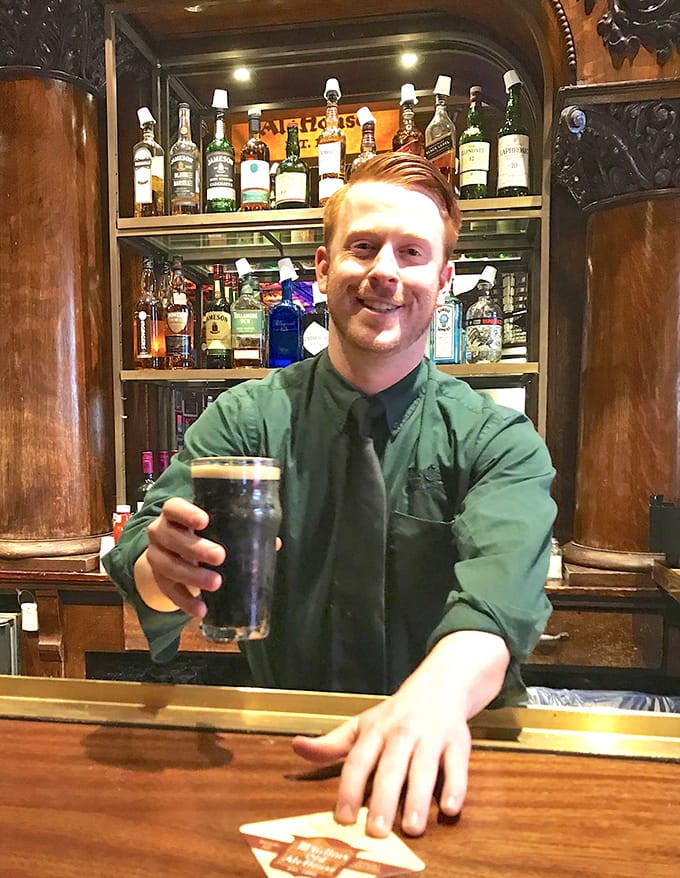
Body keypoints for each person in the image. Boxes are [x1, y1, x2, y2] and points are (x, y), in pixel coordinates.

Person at [104, 152, 556, 839]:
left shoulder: (498, 440)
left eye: (411, 252)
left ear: (444, 279)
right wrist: (164, 573)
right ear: (322, 267)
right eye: (363, 247)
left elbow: (497, 604)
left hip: (449, 749)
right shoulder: (246, 420)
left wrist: (433, 697)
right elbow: (143, 557)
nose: (385, 272)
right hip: (290, 750)